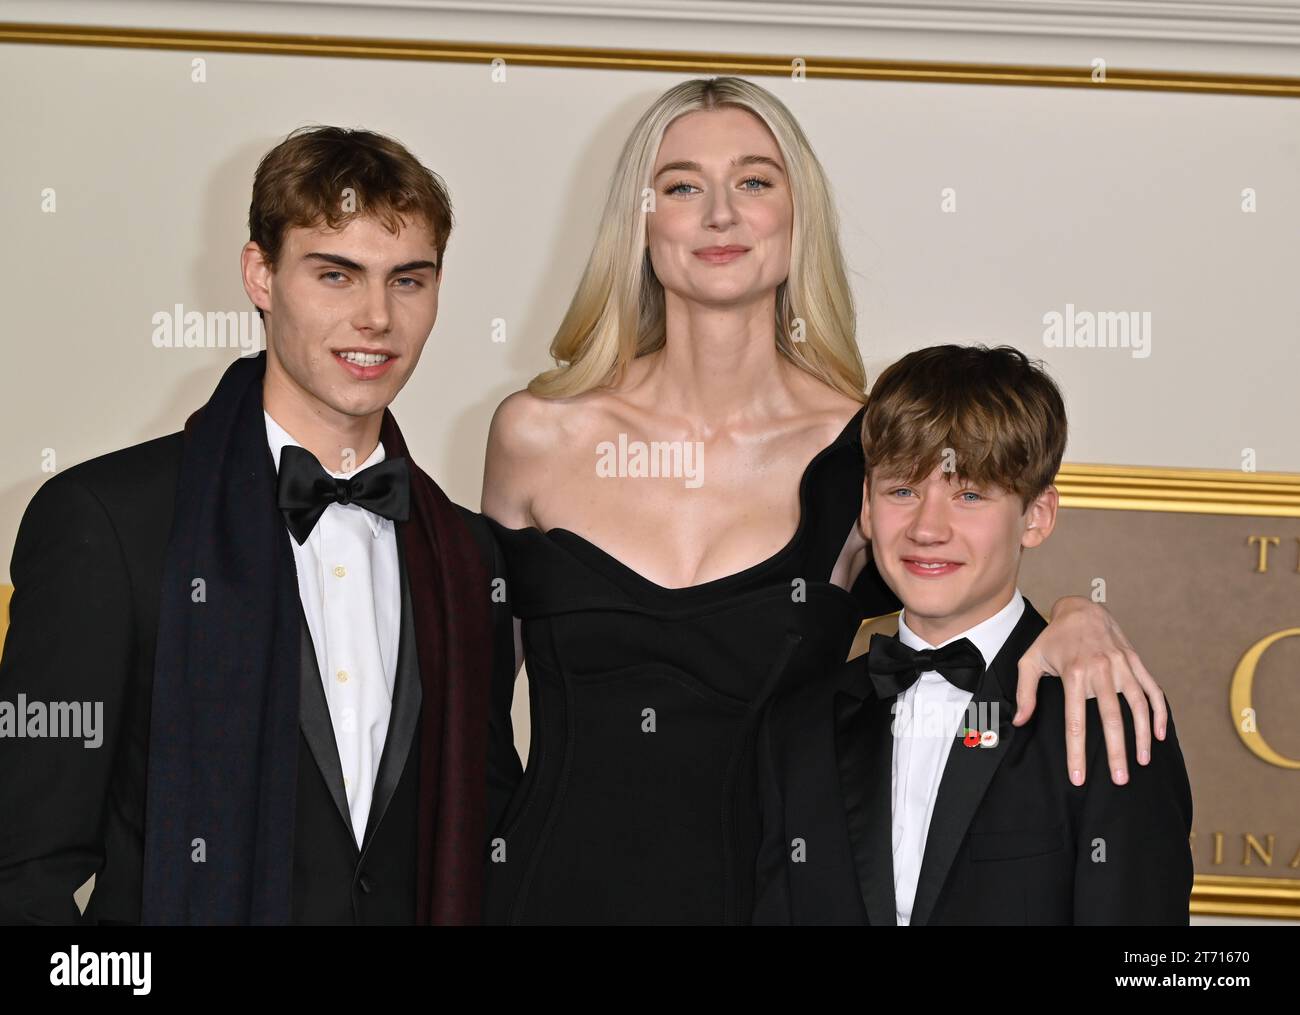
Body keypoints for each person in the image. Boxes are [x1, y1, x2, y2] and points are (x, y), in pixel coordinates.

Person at [481, 77, 1168, 925]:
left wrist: (1074, 615)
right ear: (640, 219)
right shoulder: (535, 435)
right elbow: (466, 715)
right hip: (538, 900)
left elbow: (966, 594)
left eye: (756, 181)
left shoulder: (868, 450)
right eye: (684, 184)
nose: (721, 214)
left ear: (797, 215)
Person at [0, 126, 513, 925]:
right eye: (336, 275)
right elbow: (21, 874)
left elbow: (488, 833)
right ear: (260, 274)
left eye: (407, 280)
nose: (376, 316)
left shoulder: (467, 557)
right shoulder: (105, 524)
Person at [753, 344, 1194, 925]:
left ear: (1035, 517)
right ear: (866, 507)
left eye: (969, 495)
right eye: (902, 491)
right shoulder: (800, 727)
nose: (927, 529)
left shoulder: (1105, 716)